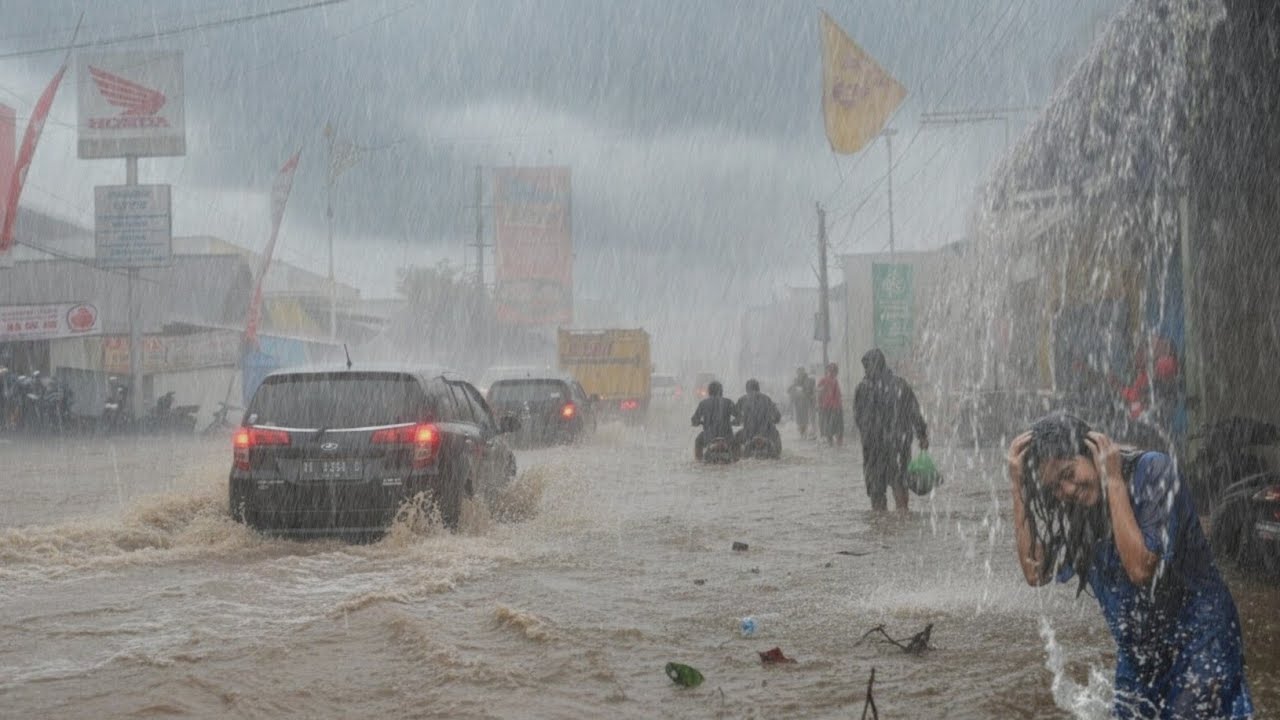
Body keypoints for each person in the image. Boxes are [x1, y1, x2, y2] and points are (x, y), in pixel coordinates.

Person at [1008, 412, 1254, 719]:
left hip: (1201, 639)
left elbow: (1140, 568)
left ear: (1093, 452)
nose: (1068, 491)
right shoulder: (1078, 509)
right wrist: (1018, 489)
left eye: (1070, 473)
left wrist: (1113, 480)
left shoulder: (1154, 472)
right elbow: (1033, 571)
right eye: (1055, 488)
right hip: (1139, 653)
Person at [853, 349, 929, 512]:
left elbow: (858, 419)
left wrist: (868, 434)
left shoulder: (863, 388)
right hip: (896, 445)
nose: (866, 370)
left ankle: (883, 526)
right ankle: (901, 521)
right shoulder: (899, 385)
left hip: (877, 448)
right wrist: (921, 434)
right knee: (896, 484)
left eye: (867, 366)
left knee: (879, 489)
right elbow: (914, 412)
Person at [690, 380, 738, 461]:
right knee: (736, 444)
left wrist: (699, 422)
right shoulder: (728, 402)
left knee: (698, 441)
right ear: (721, 391)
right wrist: (732, 422)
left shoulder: (703, 403)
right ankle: (737, 460)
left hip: (708, 436)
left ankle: (698, 461)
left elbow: (694, 420)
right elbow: (739, 417)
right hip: (727, 436)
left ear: (709, 391)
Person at [735, 378, 782, 457]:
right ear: (758, 388)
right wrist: (774, 420)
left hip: (749, 433)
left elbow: (736, 415)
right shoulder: (767, 399)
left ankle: (737, 456)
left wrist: (737, 421)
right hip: (768, 432)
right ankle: (776, 454)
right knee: (777, 449)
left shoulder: (742, 399)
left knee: (736, 441)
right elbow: (777, 416)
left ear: (747, 389)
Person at [817, 363, 843, 446]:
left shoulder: (835, 381)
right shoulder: (824, 380)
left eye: (834, 371)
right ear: (828, 371)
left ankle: (836, 442)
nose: (832, 373)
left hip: (835, 407)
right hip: (829, 407)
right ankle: (832, 442)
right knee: (831, 426)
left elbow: (837, 394)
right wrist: (819, 404)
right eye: (831, 371)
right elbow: (818, 392)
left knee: (836, 426)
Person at [788, 367, 815, 439]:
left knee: (805, 418)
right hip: (798, 402)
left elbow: (810, 390)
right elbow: (790, 389)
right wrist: (793, 391)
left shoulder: (808, 380)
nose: (800, 373)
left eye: (801, 372)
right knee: (799, 419)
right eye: (798, 372)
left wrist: (805, 391)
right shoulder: (796, 380)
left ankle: (805, 432)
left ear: (803, 372)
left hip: (805, 401)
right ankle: (802, 433)